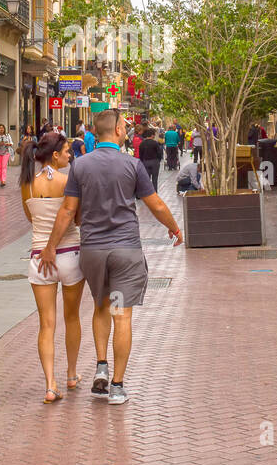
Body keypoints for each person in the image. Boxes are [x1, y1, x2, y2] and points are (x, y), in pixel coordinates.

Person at [41, 109, 182, 406]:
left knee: (101, 307)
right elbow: (154, 202)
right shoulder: (132, 164)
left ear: (96, 131)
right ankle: (116, 386)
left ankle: (101, 366)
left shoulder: (81, 166)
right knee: (122, 314)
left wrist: (51, 245)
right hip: (125, 252)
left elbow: (68, 210)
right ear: (119, 129)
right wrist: (174, 227)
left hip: (93, 251)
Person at [20, 132, 86, 404]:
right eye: (67, 151)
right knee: (72, 318)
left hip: (39, 258)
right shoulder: (68, 181)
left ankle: (50, 384)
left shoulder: (28, 184)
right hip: (69, 255)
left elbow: (30, 218)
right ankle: (71, 374)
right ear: (56, 155)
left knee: (46, 324)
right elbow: (78, 217)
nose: (70, 156)